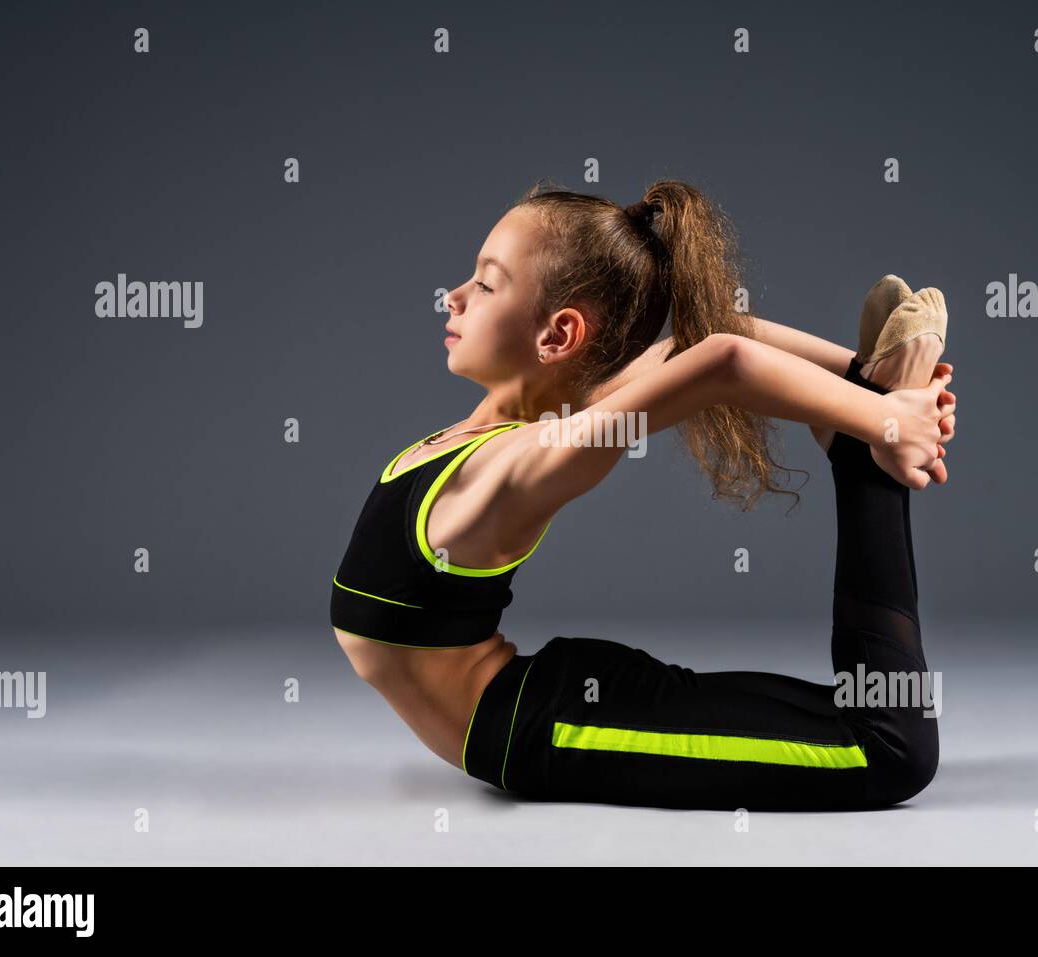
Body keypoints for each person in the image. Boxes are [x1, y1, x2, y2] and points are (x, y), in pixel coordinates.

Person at [331, 179, 957, 810]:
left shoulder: (521, 462)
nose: (456, 296)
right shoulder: (498, 436)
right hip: (552, 696)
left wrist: (887, 422)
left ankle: (865, 466)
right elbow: (701, 343)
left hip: (544, 731)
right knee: (846, 728)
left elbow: (721, 359)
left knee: (886, 750)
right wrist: (865, 392)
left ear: (558, 336)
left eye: (487, 284)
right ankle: (870, 412)